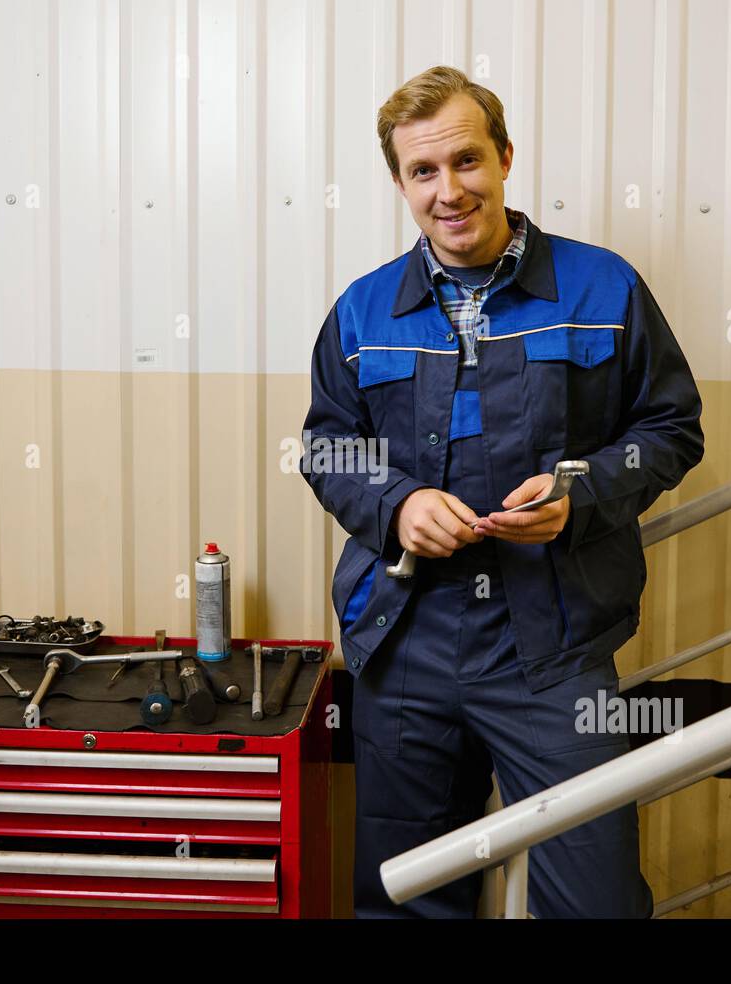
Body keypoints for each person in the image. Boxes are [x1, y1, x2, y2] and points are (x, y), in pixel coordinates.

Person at [301, 65, 703, 917]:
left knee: (595, 900)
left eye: (467, 161)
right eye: (423, 171)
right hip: (403, 640)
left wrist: (583, 492)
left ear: (506, 156)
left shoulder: (606, 289)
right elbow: (326, 448)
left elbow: (671, 429)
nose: (450, 191)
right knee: (409, 899)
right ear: (402, 183)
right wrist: (398, 504)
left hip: (555, 645)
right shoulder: (362, 312)